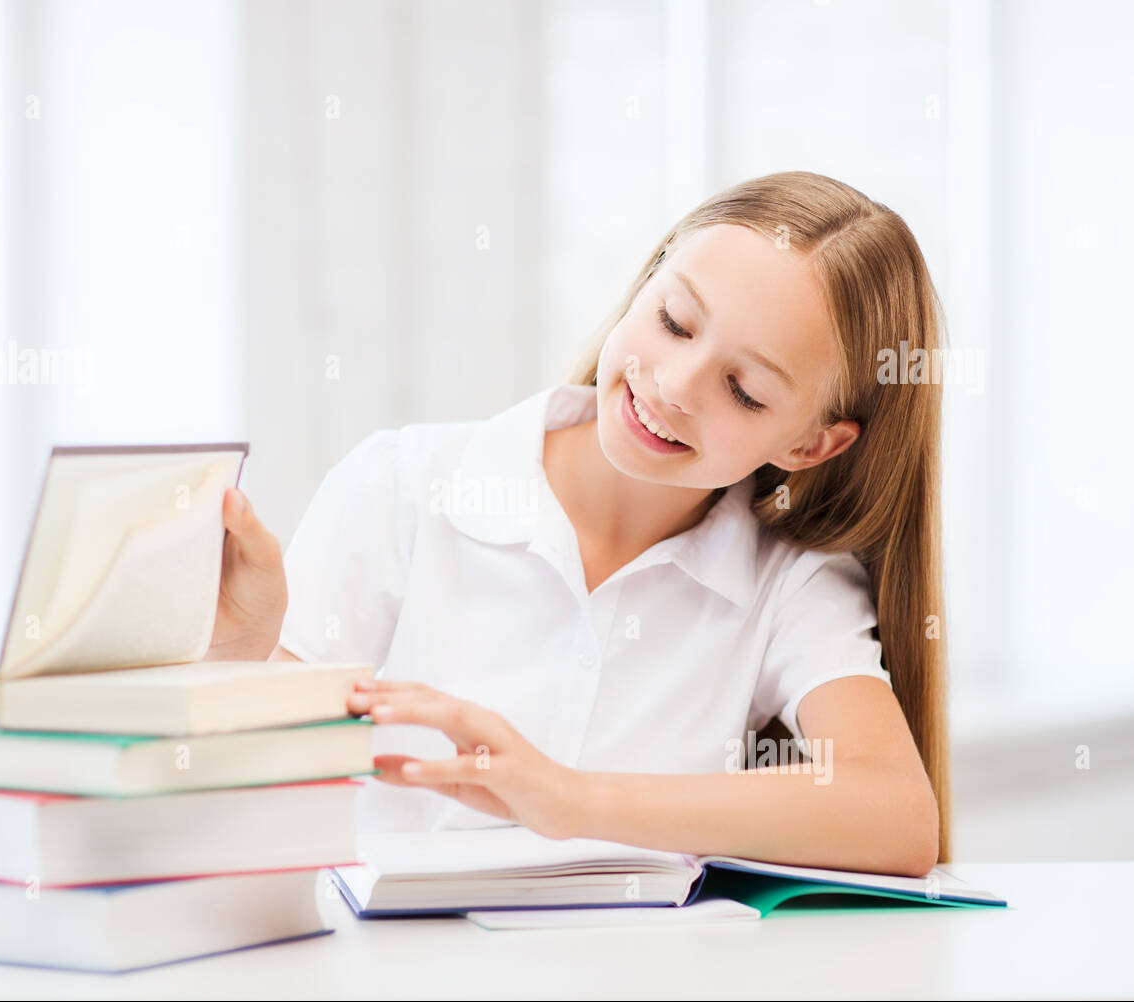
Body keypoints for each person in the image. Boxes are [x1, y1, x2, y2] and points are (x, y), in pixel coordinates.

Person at [207, 171, 948, 876]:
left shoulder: (789, 585)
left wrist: (567, 798)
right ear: (647, 279)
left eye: (744, 391)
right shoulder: (402, 486)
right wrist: (239, 658)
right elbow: (246, 804)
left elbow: (898, 815)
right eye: (674, 321)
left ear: (808, 445)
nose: (675, 384)